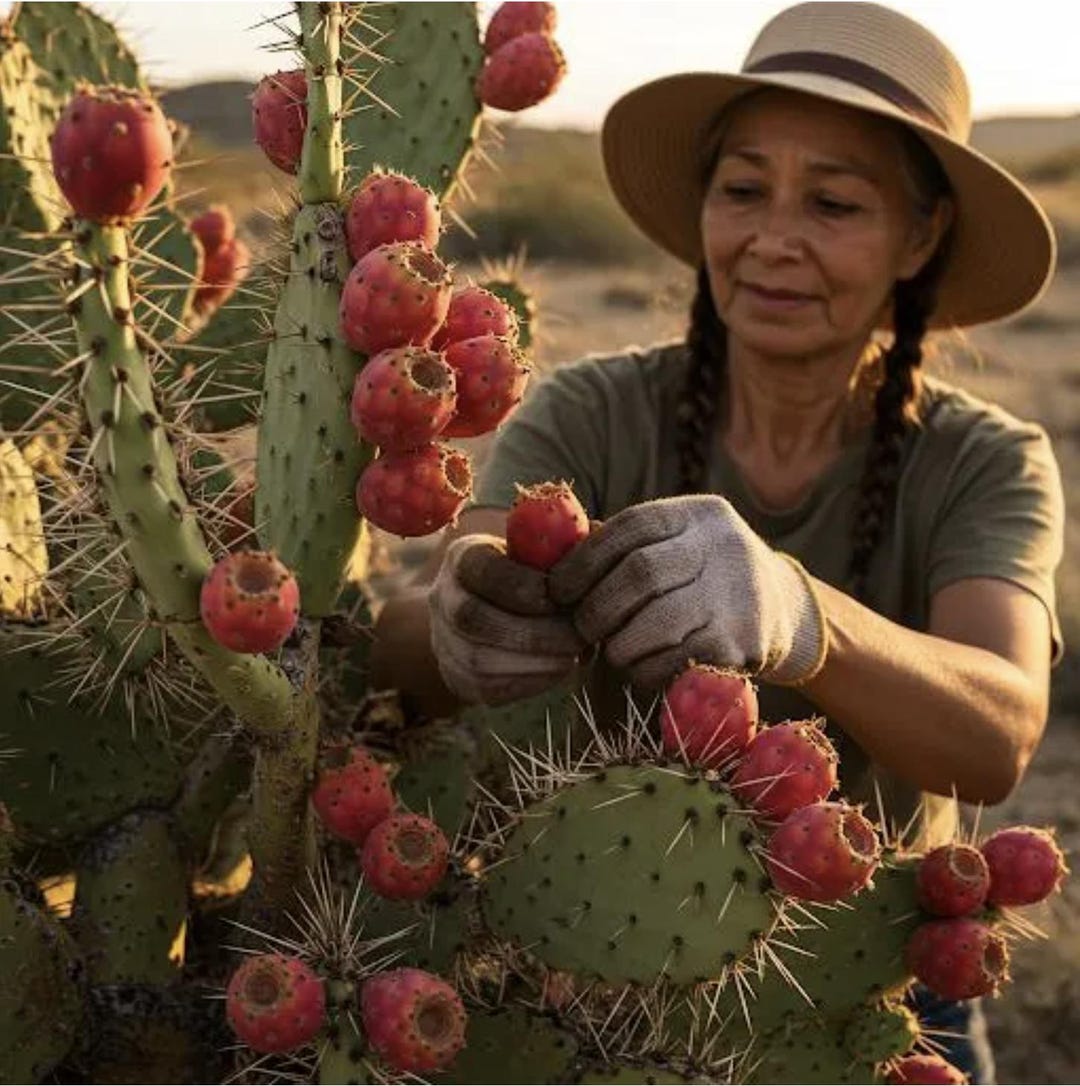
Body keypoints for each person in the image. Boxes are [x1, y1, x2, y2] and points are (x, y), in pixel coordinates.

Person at [373, 4, 1065, 1080]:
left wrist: (805, 614)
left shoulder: (986, 461)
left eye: (834, 203)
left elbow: (1000, 727)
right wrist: (458, 619)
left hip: (863, 982)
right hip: (580, 967)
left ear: (919, 238)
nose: (773, 240)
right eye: (743, 190)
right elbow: (429, 615)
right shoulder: (590, 416)